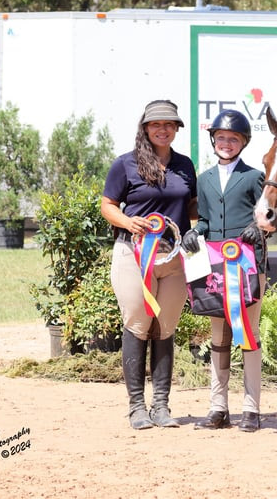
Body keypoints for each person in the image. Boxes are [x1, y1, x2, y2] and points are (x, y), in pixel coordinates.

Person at [101, 99, 197, 430]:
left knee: (165, 327)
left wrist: (196, 230)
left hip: (173, 258)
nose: (163, 129)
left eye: (169, 124)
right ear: (145, 128)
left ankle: (162, 406)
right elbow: (108, 205)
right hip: (133, 255)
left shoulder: (185, 165)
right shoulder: (125, 164)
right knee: (138, 325)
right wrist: (128, 223)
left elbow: (191, 206)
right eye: (156, 124)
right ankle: (136, 407)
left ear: (176, 129)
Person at [182, 109, 266, 433]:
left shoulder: (254, 177)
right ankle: (218, 407)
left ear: (243, 142)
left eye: (233, 139)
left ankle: (251, 408)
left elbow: (265, 218)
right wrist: (195, 232)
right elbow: (204, 220)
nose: (226, 143)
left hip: (246, 266)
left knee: (250, 334)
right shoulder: (203, 179)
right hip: (216, 268)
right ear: (213, 139)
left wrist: (255, 230)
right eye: (221, 138)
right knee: (218, 338)